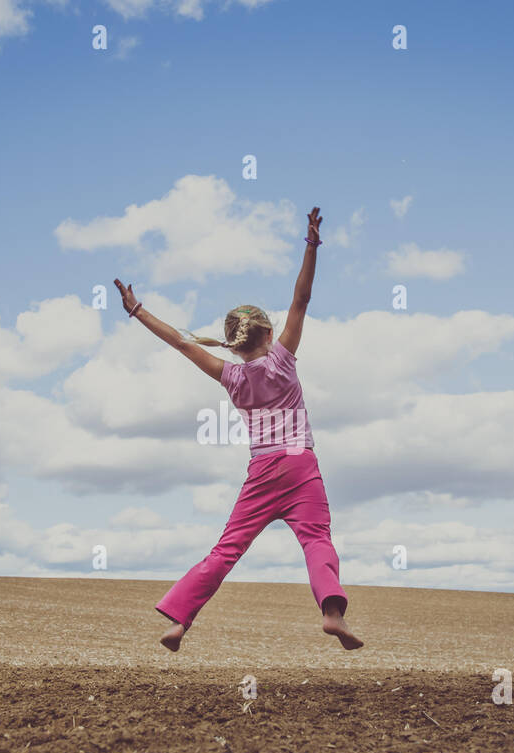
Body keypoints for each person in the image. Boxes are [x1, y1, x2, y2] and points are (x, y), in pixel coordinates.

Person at [113, 206, 361, 653]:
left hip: (262, 472)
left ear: (235, 344)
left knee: (226, 551)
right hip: (301, 468)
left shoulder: (230, 376)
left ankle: (178, 623)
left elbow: (180, 341)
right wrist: (312, 245)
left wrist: (138, 311)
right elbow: (301, 299)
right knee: (317, 539)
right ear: (267, 335)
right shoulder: (283, 360)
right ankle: (331, 614)